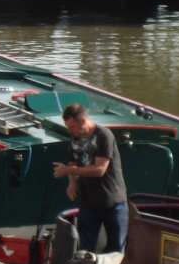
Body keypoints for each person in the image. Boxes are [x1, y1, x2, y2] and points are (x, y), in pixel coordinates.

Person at [52, 102, 128, 254]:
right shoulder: (74, 139)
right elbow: (72, 162)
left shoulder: (103, 135)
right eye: (68, 127)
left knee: (116, 248)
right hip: (89, 202)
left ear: (83, 121)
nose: (70, 131)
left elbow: (99, 170)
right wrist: (72, 183)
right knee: (85, 248)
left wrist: (68, 170)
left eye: (72, 127)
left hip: (112, 201)